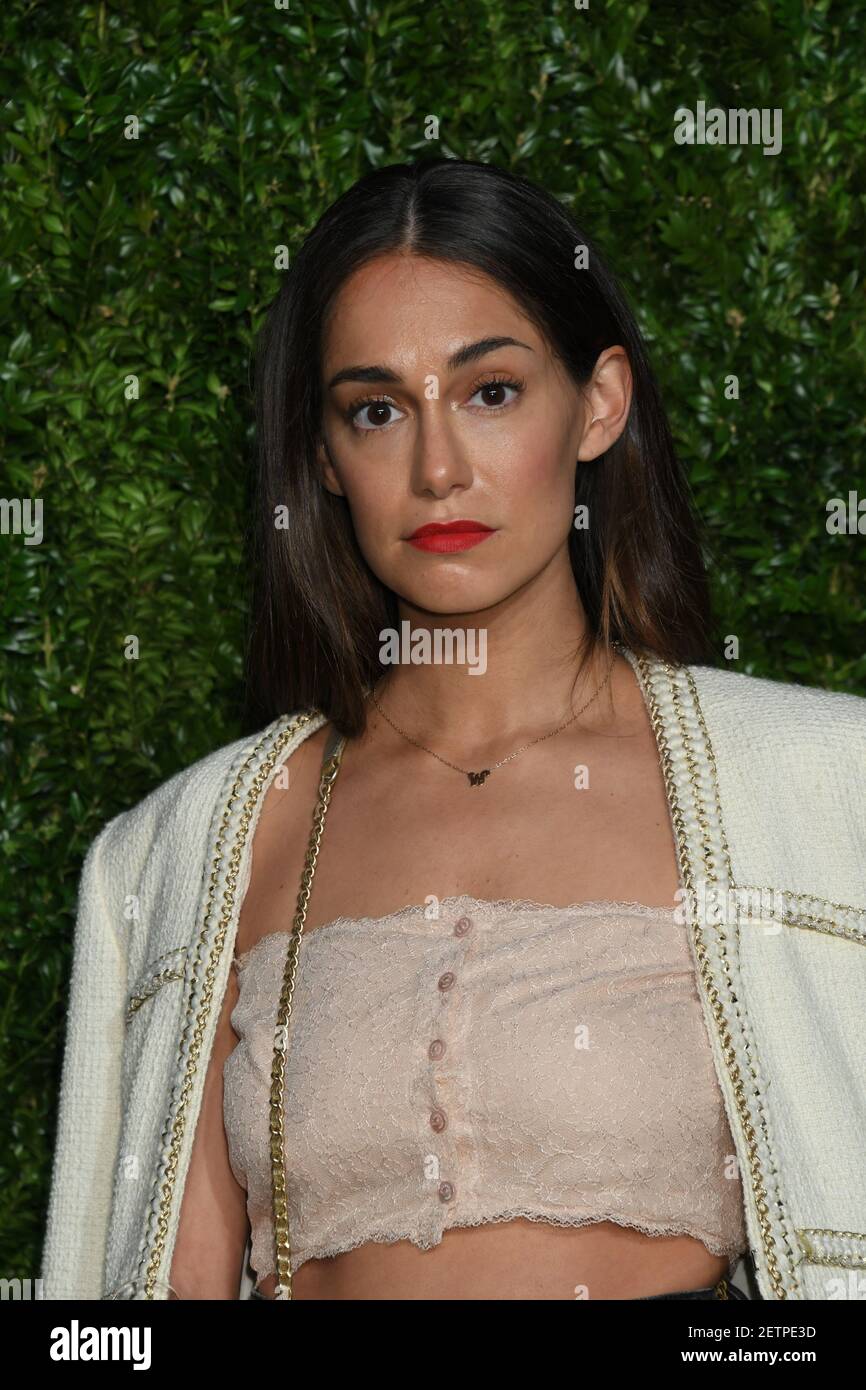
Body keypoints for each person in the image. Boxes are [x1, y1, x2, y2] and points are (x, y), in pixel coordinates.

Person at [41, 159, 866, 1303]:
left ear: (598, 404)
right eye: (376, 410)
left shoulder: (819, 791)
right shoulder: (195, 845)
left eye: (489, 392)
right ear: (326, 460)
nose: (436, 469)